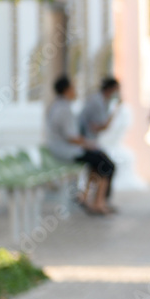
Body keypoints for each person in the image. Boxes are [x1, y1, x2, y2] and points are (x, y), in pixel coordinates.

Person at [44, 76, 115, 215]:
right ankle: (98, 202)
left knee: (98, 161)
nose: (75, 91)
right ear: (66, 90)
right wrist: (89, 144)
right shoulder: (63, 109)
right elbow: (72, 137)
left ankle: (87, 198)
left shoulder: (57, 106)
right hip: (67, 151)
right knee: (106, 164)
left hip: (63, 149)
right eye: (73, 88)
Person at [79, 77, 120, 201]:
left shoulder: (100, 100)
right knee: (107, 167)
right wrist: (115, 111)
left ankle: (87, 198)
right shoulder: (97, 102)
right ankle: (99, 202)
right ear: (111, 89)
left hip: (88, 143)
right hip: (84, 145)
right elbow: (101, 126)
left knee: (96, 167)